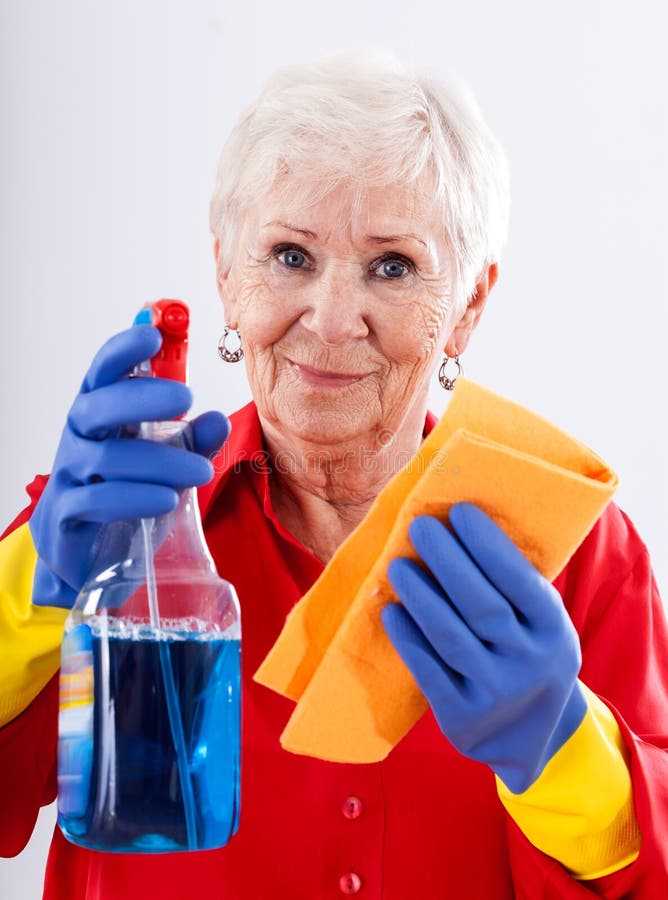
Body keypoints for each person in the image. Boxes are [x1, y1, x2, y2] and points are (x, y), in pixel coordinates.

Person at [1, 51, 667, 900]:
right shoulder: (102, 525)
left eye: (392, 265)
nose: (331, 318)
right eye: (288, 255)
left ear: (467, 305)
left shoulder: (582, 558)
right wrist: (33, 590)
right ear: (226, 278)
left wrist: (566, 750)